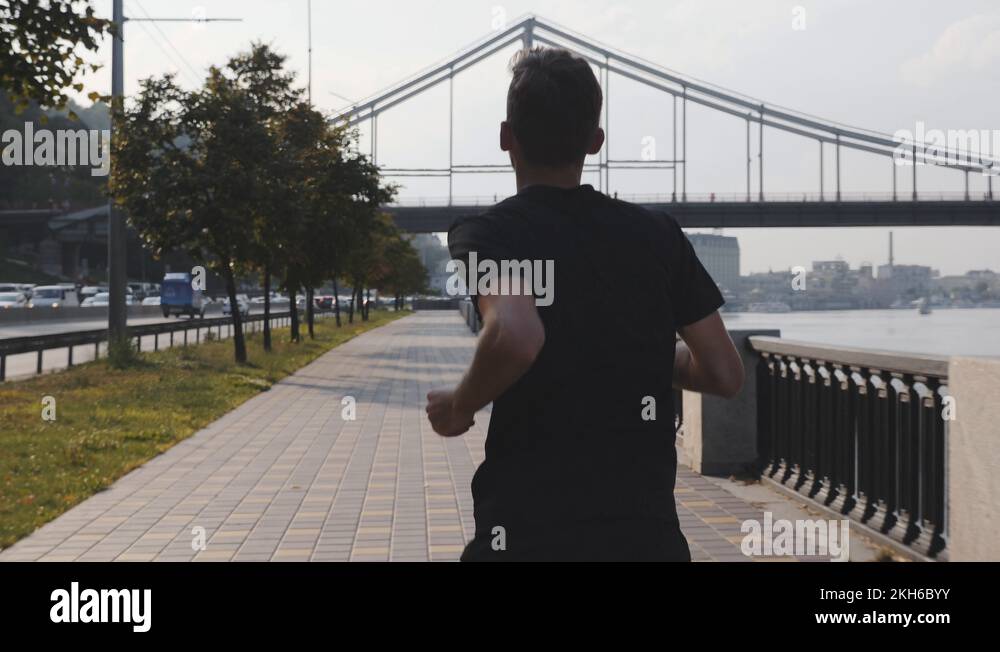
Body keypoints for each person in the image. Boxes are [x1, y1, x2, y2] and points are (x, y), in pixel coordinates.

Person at [425, 47, 744, 561]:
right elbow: (726, 374)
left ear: (507, 137)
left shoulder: (489, 234)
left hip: (527, 537)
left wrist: (460, 405)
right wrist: (634, 353)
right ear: (595, 142)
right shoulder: (658, 235)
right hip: (648, 540)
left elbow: (517, 334)